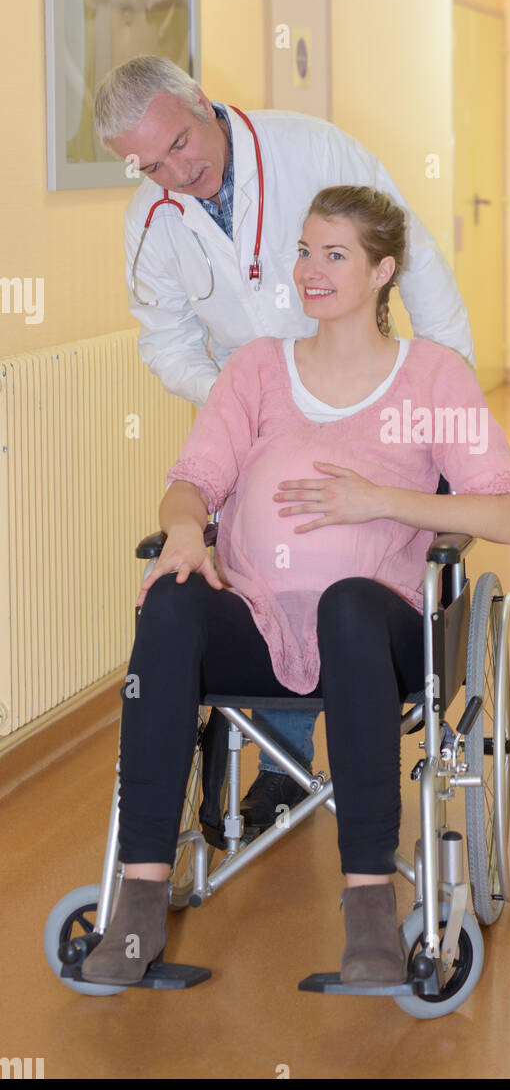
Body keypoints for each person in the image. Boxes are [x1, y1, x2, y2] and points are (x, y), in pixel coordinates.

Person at [81, 185, 510, 987]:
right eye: (302, 250)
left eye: (334, 255)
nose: (309, 271)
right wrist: (186, 528)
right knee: (172, 595)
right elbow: (193, 481)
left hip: (374, 634)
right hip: (254, 618)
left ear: (382, 270)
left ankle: (368, 914)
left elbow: (506, 516)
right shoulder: (256, 369)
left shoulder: (434, 376)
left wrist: (378, 500)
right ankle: (139, 899)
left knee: (347, 603)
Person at [93, 56, 476, 825]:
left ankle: (298, 752)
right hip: (257, 419)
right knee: (260, 556)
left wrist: (449, 383)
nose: (176, 171)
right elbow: (164, 341)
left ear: (201, 100)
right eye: (150, 164)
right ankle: (281, 757)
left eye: (179, 143)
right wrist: (248, 401)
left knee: (339, 559)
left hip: (365, 398)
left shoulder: (311, 147)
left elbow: (416, 254)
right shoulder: (151, 218)